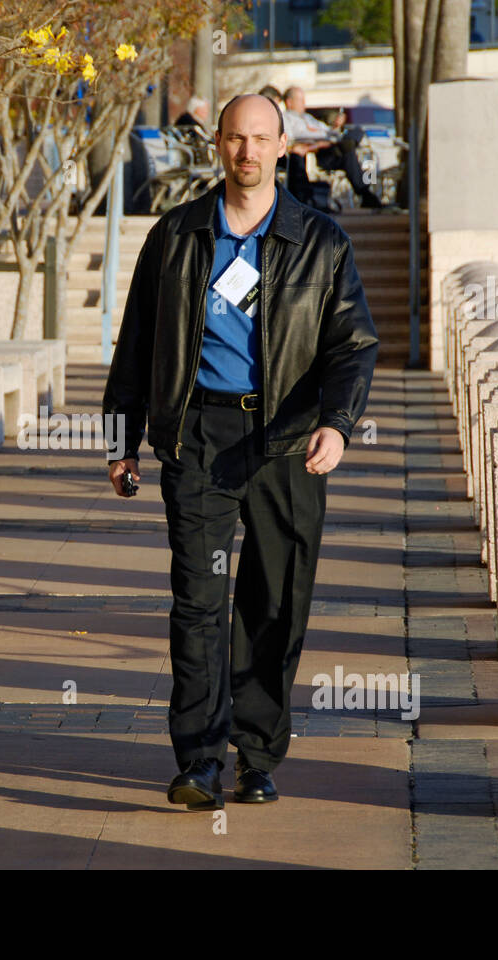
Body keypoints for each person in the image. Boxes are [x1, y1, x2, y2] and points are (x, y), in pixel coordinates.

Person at [103, 93, 379, 810]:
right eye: (235, 139)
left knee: (273, 602)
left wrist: (339, 424)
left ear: (283, 146)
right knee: (197, 602)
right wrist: (119, 442)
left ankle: (257, 755)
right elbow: (135, 344)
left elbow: (353, 346)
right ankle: (198, 761)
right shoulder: (177, 235)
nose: (248, 152)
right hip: (199, 435)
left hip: (287, 441)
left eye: (261, 139)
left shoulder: (319, 241)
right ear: (217, 146)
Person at [281, 86, 384, 209]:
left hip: (330, 146)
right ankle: (365, 193)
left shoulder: (308, 117)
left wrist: (336, 126)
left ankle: (365, 193)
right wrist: (315, 145)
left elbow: (328, 131)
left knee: (352, 144)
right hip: (316, 153)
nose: (304, 103)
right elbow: (291, 143)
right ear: (289, 102)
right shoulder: (286, 119)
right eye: (300, 100)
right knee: (348, 147)